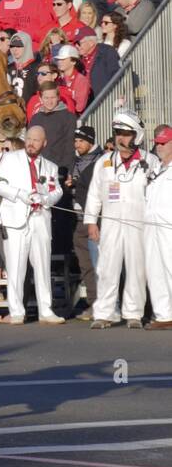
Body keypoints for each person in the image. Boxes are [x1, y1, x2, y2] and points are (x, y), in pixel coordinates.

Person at [83, 109, 150, 329]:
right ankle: (104, 313)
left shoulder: (150, 162)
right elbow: (94, 193)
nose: (121, 138)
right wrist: (91, 221)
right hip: (111, 222)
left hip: (139, 223)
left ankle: (133, 313)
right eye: (118, 133)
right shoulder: (104, 162)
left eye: (126, 133)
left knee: (136, 268)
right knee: (106, 267)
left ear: (136, 135)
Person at [0, 129, 64, 325]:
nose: (31, 143)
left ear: (44, 143)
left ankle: (46, 310)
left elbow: (57, 189)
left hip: (40, 218)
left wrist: (46, 198)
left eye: (36, 140)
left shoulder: (50, 167)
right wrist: (21, 194)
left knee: (43, 265)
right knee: (15, 267)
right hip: (15, 220)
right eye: (29, 139)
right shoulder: (10, 159)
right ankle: (16, 312)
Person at [66, 126, 102, 319]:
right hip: (77, 219)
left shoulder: (101, 160)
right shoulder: (76, 160)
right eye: (75, 141)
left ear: (90, 141)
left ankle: (107, 303)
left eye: (80, 141)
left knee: (101, 265)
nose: (77, 144)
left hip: (96, 220)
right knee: (86, 265)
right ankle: (93, 303)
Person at [143, 125, 172, 329]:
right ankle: (163, 314)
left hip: (169, 226)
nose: (159, 147)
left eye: (163, 143)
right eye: (157, 143)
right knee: (155, 269)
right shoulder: (155, 168)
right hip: (151, 225)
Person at [27, 84, 77, 174]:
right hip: (35, 168)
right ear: (41, 99)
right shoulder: (35, 118)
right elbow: (29, 142)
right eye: (46, 98)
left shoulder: (68, 117)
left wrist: (68, 171)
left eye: (53, 97)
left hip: (58, 168)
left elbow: (70, 147)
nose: (50, 101)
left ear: (58, 97)